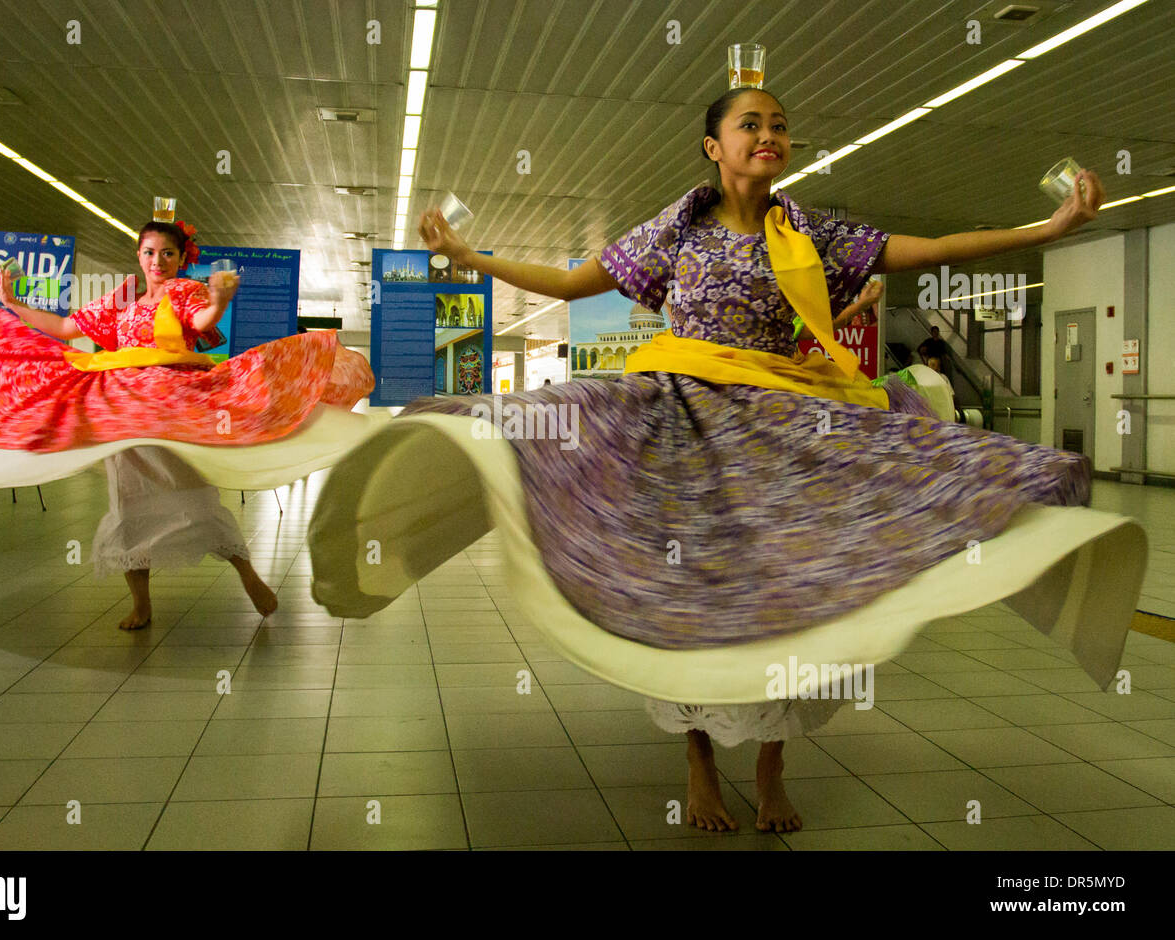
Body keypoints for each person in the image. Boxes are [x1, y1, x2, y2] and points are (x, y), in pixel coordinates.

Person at [309, 86, 1125, 835]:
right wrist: (470, 257)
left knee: (785, 579)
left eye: (780, 126)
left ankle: (771, 762)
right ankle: (698, 755)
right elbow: (568, 282)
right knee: (688, 580)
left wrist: (1046, 231)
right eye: (751, 124)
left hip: (779, 417)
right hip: (683, 417)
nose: (770, 134)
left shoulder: (811, 231)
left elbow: (932, 246)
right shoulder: (678, 227)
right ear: (714, 147)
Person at [0, 218, 373, 629]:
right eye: (150, 252)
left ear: (180, 259)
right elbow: (64, 329)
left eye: (167, 254)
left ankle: (249, 576)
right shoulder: (122, 299)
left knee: (194, 499)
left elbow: (203, 320)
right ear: (138, 254)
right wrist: (10, 300)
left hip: (169, 406)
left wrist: (218, 300)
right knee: (128, 504)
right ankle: (141, 604)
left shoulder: (184, 292)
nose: (158, 261)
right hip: (122, 410)